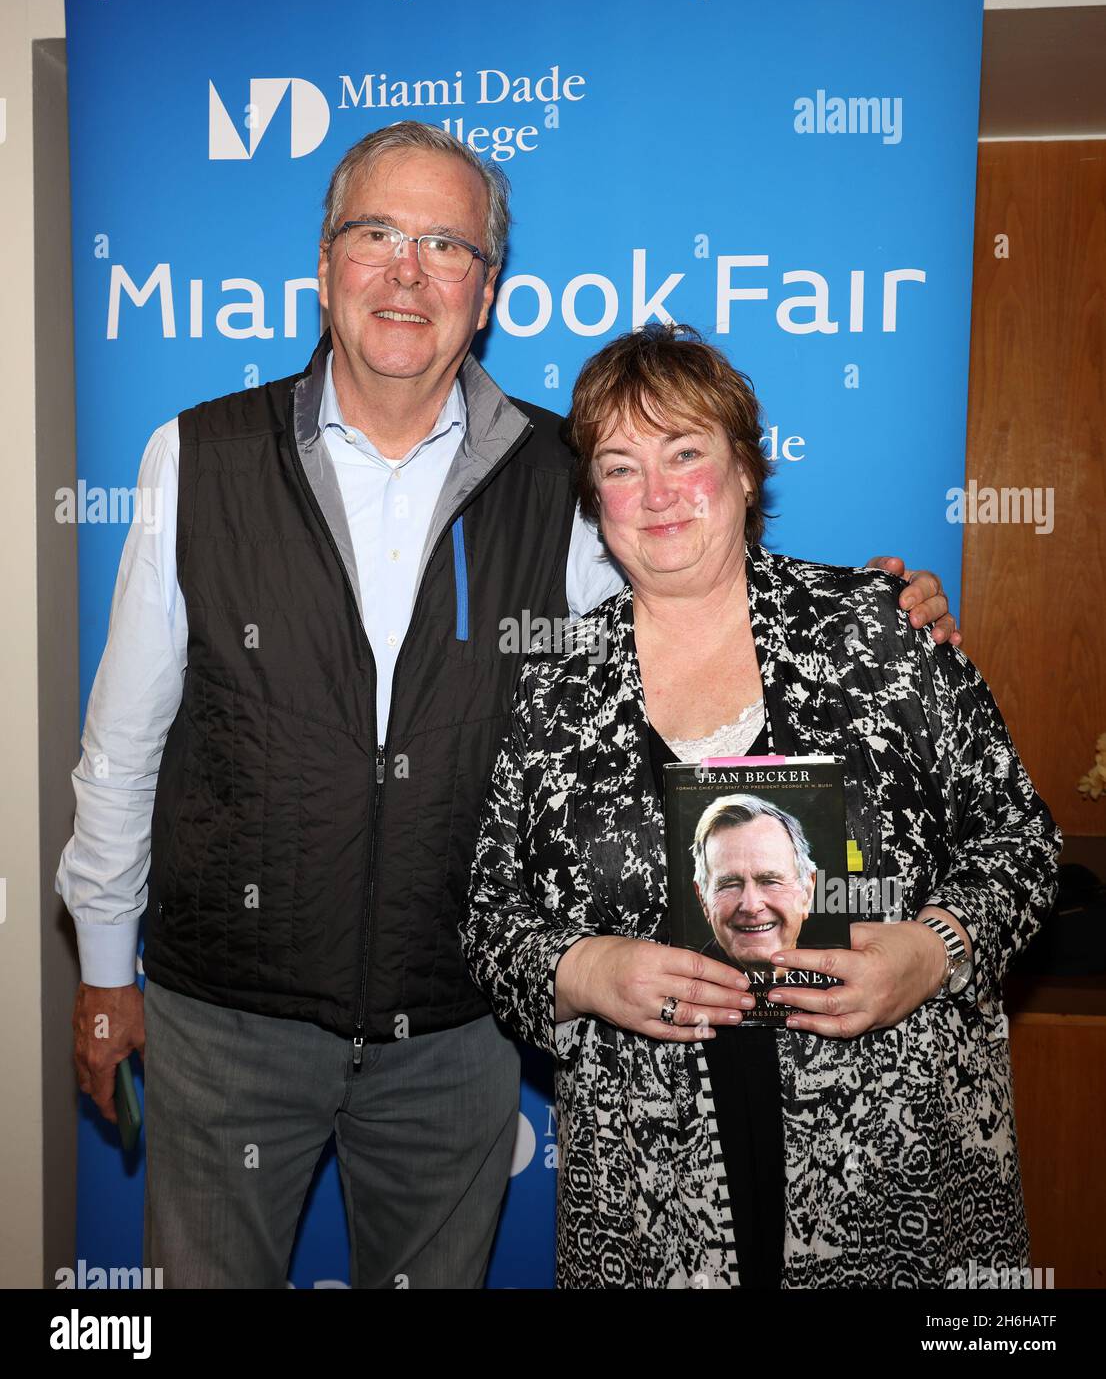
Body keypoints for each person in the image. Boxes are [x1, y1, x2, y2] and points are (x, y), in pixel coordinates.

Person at [57, 124, 959, 1289]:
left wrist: (867, 606)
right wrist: (102, 969)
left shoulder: (561, 475)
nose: (406, 270)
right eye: (375, 234)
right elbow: (123, 745)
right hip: (225, 1023)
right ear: (324, 266)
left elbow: (697, 599)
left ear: (483, 293)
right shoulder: (196, 457)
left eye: (446, 245)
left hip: (459, 1030)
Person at [461, 323, 1060, 1290]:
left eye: (685, 453)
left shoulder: (878, 630)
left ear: (745, 470)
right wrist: (584, 967)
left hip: (893, 1166)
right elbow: (493, 924)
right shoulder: (556, 687)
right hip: (652, 1194)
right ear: (593, 502)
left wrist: (930, 951)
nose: (655, 495)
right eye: (619, 466)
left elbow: (1022, 846)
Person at [693, 795, 817, 973]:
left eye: (769, 881)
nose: (751, 906)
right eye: (730, 884)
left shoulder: (843, 980)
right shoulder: (673, 989)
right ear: (703, 899)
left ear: (808, 892)